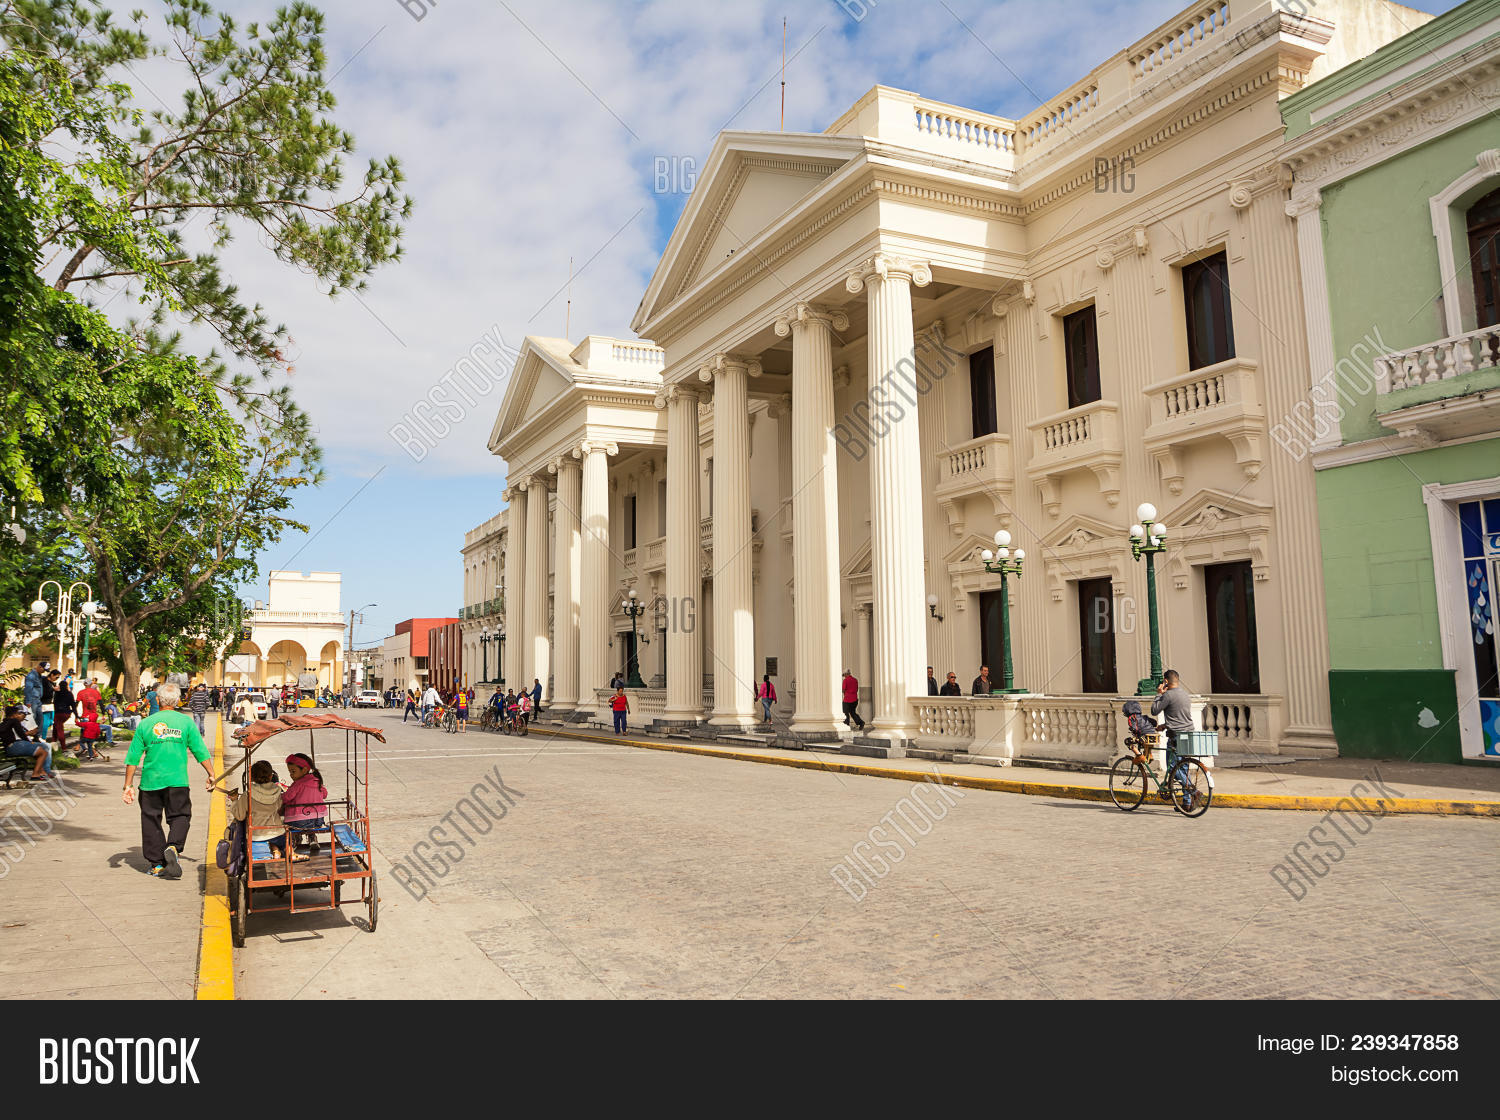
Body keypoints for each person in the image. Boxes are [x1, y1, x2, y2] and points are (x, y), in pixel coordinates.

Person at [122, 682, 215, 879]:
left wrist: (128, 785)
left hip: (150, 782)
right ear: (179, 701)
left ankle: (157, 864)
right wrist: (211, 774)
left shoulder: (146, 724)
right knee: (181, 816)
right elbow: (200, 750)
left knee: (151, 820)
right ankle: (173, 846)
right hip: (178, 781)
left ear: (157, 699)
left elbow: (133, 757)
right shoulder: (186, 723)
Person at [227, 760, 286, 852]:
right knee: (283, 839)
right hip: (277, 835)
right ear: (271, 776)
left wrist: (234, 800)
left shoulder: (247, 794)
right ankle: (275, 849)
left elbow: (240, 816)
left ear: (252, 778)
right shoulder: (278, 791)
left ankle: (274, 849)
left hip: (256, 836)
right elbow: (281, 810)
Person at [281, 753, 328, 858]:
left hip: (298, 821)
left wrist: (281, 796)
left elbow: (287, 797)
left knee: (292, 827)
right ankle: (312, 838)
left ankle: (294, 841)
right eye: (290, 772)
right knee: (309, 825)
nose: (291, 775)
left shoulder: (298, 784)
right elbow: (324, 794)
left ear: (305, 769)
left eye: (293, 771)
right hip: (318, 820)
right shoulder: (317, 781)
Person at [1, 703, 51, 781]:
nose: (18, 715)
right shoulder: (14, 721)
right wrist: (29, 741)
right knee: (43, 752)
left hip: (9, 748)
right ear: (14, 714)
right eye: (17, 713)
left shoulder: (3, 723)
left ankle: (41, 771)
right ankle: (35, 774)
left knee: (41, 750)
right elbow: (20, 733)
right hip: (14, 747)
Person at [51, 674, 76, 755]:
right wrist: (76, 715)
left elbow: (55, 703)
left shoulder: (57, 694)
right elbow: (73, 705)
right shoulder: (69, 694)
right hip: (67, 713)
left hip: (58, 713)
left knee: (59, 729)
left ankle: (64, 747)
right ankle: (53, 741)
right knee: (56, 725)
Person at [23, 660, 46, 728]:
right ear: (39, 667)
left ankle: (37, 736)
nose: (44, 671)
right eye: (43, 670)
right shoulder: (31, 676)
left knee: (40, 718)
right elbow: (28, 688)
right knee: (31, 718)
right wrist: (28, 701)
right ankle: (29, 734)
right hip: (32, 700)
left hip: (38, 700)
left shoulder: (39, 676)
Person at [39, 669, 57, 739]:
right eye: (56, 677)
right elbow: (44, 693)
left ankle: (42, 735)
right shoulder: (45, 682)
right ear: (52, 675)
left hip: (50, 704)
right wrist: (53, 689)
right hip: (45, 704)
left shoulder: (51, 683)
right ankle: (43, 736)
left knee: (51, 721)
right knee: (45, 722)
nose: (56, 679)